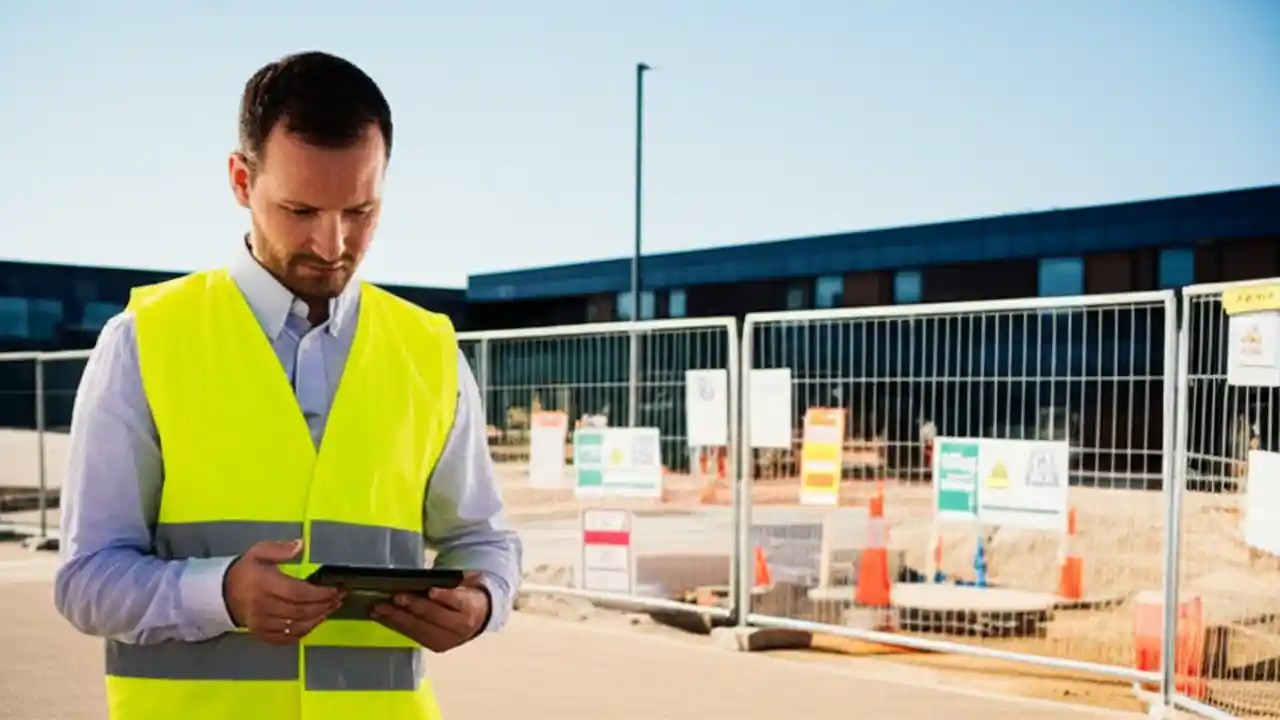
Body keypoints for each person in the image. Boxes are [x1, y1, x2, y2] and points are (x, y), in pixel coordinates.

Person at [53, 50, 522, 720]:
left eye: (360, 210)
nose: (332, 243)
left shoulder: (430, 350)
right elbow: (85, 580)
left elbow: (485, 540)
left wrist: (481, 606)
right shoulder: (144, 341)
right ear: (241, 180)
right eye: (300, 209)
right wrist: (221, 593)